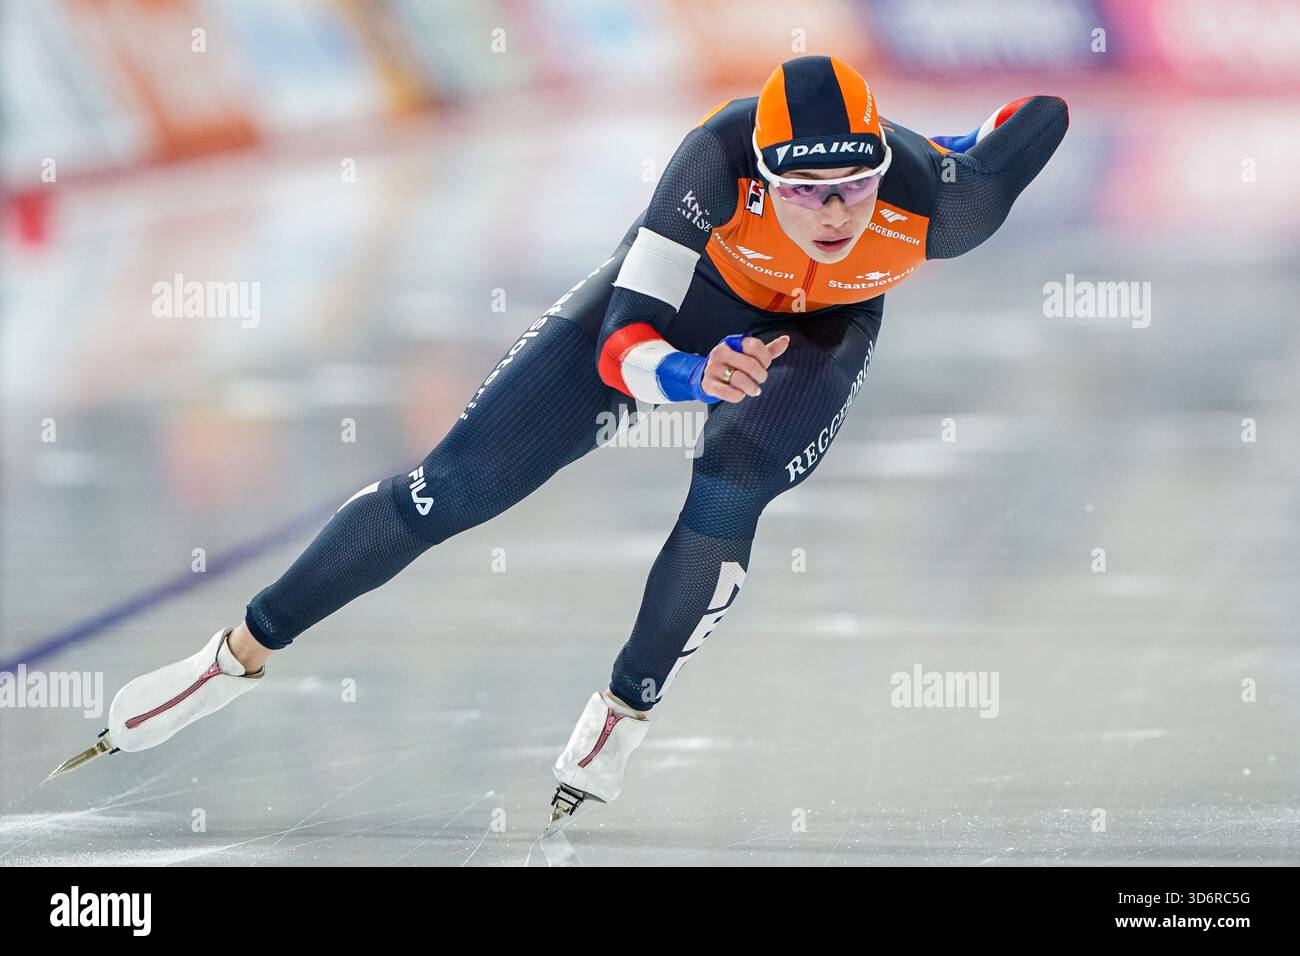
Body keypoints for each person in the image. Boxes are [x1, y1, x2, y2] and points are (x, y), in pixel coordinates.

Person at [49, 56, 1069, 831]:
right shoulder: (712, 162)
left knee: (732, 484)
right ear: (762, 178)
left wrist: (955, 143)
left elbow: (1041, 114)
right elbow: (626, 339)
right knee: (451, 488)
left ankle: (625, 708)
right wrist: (688, 375)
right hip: (677, 316)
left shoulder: (947, 203)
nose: (835, 214)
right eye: (805, 190)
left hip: (818, 333)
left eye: (854, 183)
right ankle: (231, 657)